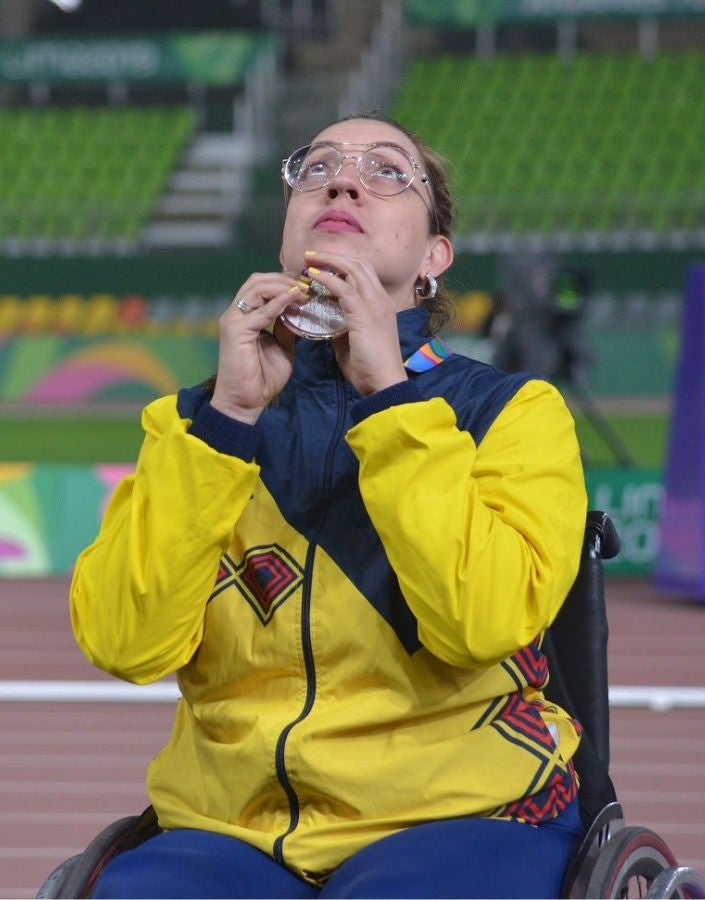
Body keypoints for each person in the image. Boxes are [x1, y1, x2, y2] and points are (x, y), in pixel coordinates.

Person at [69, 113, 588, 899]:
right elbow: (123, 643)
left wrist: (388, 398)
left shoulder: (509, 413)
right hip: (231, 829)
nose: (342, 181)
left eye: (386, 171)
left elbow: (479, 624)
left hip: (466, 814)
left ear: (434, 257)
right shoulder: (193, 425)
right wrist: (228, 422)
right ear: (288, 234)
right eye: (316, 169)